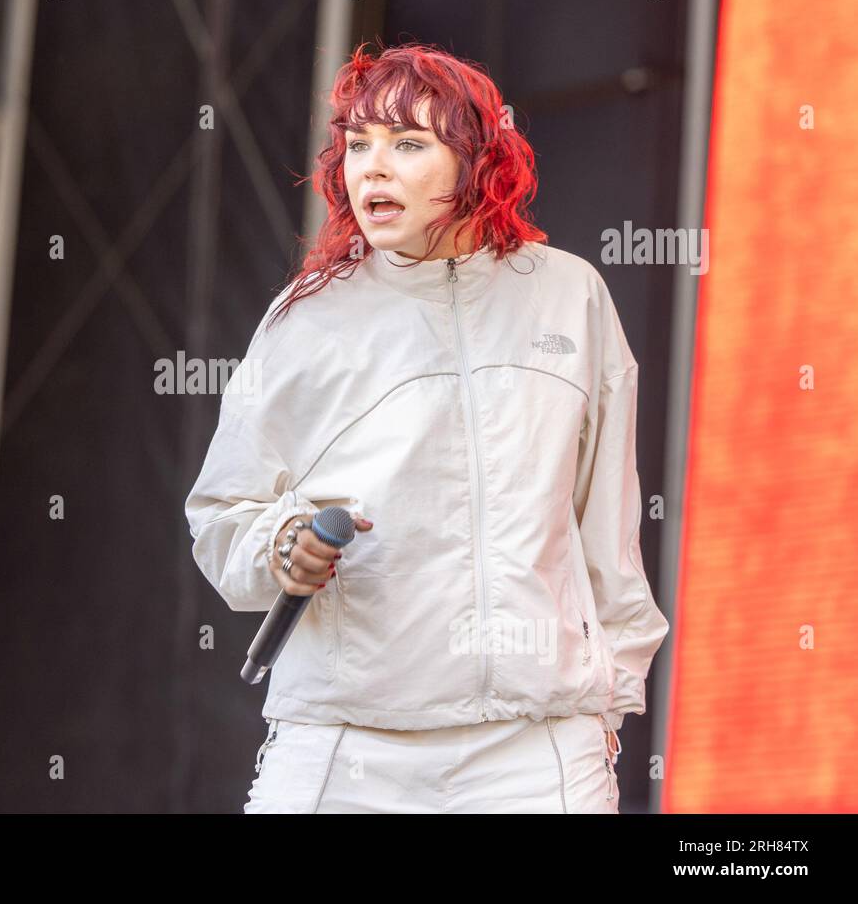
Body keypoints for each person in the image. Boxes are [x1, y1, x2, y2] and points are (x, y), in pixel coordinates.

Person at [183, 41, 670, 813]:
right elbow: (220, 521)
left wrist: (604, 708)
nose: (372, 167)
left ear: (478, 161)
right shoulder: (304, 320)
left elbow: (607, 526)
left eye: (408, 144)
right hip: (344, 745)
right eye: (357, 145)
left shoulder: (571, 295)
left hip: (536, 749)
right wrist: (284, 545)